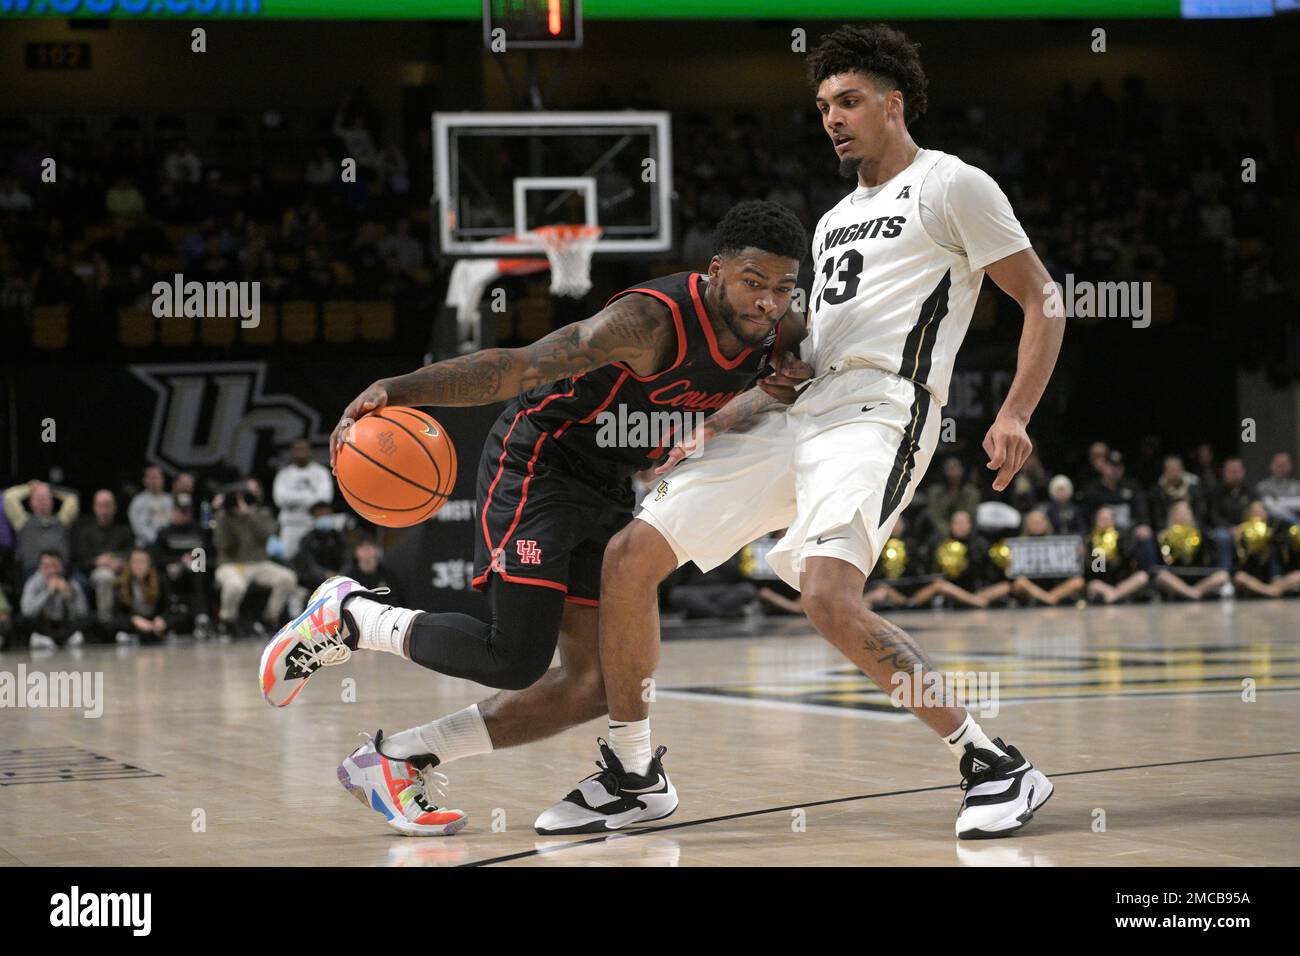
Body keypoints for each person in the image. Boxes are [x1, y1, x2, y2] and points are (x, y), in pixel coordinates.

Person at [537, 23, 1064, 839]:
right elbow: (808, 347)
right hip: (804, 409)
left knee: (825, 595)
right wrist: (734, 404)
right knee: (628, 557)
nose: (833, 118)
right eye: (823, 105)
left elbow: (1044, 298)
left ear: (894, 105)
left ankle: (994, 762)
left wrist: (1015, 413)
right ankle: (635, 773)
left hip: (883, 412)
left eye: (849, 101)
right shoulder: (828, 221)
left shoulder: (954, 185)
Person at [258, 200, 810, 835]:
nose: (767, 301)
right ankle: (351, 617)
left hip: (608, 484)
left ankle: (397, 760)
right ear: (716, 271)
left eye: (781, 287)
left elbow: (754, 392)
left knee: (600, 684)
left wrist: (771, 391)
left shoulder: (780, 331)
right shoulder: (646, 323)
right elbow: (518, 367)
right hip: (541, 464)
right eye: (753, 282)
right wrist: (400, 388)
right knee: (513, 657)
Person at [213, 479, 297, 638]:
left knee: (288, 578)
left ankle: (270, 618)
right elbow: (223, 545)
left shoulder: (262, 514)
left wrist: (249, 515)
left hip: (259, 563)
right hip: (231, 565)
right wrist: (222, 514)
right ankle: (227, 621)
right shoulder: (224, 517)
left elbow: (267, 533)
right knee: (235, 585)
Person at [908, 510, 1011, 610]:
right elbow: (933, 573)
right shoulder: (941, 544)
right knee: (939, 585)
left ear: (970, 525)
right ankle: (973, 601)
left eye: (964, 522)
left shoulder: (980, 543)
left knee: (1005, 586)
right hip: (952, 590)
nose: (960, 526)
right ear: (951, 525)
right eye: (957, 523)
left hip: (977, 591)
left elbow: (989, 572)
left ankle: (973, 600)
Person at [71, 489, 134, 627]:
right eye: (101, 505)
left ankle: (137, 620)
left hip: (122, 570)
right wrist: (97, 562)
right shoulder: (85, 532)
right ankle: (107, 624)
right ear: (95, 508)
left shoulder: (123, 530)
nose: (104, 509)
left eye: (108, 505)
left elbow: (132, 553)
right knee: (105, 577)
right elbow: (79, 559)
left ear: (114, 507)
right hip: (95, 573)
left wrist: (120, 562)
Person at [1153, 501, 1230, 600]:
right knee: (1162, 576)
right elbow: (1162, 563)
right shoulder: (1164, 537)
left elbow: (1209, 562)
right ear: (1172, 516)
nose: (1182, 516)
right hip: (1176, 579)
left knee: (1223, 575)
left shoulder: (1202, 534)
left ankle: (1191, 593)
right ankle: (1192, 593)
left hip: (1199, 579)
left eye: (1185, 513)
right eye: (1178, 513)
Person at [1007, 509, 1085, 606]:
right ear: (1027, 525)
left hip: (1055, 584)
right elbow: (1013, 574)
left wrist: (1078, 553)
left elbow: (1071, 567)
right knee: (1020, 582)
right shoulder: (1018, 544)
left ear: (1046, 523)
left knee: (1078, 581)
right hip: (1032, 585)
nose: (1036, 525)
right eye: (1033, 522)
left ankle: (1049, 598)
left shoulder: (1060, 540)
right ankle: (1048, 599)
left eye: (1039, 522)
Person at [110, 548, 189, 644]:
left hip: (154, 619)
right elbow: (117, 613)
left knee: (182, 616)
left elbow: (168, 607)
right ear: (129, 564)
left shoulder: (161, 580)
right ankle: (135, 635)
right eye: (136, 562)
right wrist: (134, 620)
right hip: (134, 621)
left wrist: (162, 619)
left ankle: (158, 632)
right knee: (110, 623)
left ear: (149, 564)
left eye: (143, 562)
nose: (139, 566)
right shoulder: (121, 583)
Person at [4, 479, 79, 579]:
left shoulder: (62, 520)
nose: (42, 502)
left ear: (52, 502)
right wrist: (30, 488)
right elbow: (9, 497)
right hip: (33, 570)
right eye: (39, 499)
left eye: (46, 498)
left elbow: (72, 498)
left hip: (62, 571)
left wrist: (51, 489)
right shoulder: (22, 521)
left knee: (81, 584)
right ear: (31, 503)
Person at [273, 439, 334, 559]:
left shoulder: (321, 472)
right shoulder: (284, 474)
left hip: (313, 525)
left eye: (304, 449)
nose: (301, 452)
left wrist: (293, 498)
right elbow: (280, 499)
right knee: (288, 561)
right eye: (297, 449)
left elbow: (325, 498)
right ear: (292, 452)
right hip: (290, 527)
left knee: (314, 561)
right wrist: (310, 495)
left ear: (309, 450)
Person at [18, 551, 91, 649]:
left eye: (55, 565)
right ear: (40, 567)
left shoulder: (70, 582)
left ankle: (67, 639)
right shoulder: (33, 583)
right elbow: (27, 611)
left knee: (87, 622)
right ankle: (43, 639)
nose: (52, 570)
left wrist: (69, 596)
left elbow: (82, 611)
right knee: (24, 622)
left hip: (65, 625)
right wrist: (47, 593)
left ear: (61, 566)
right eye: (47, 566)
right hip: (43, 626)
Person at [1083, 507, 1150, 604]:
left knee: (1142, 577)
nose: (1104, 522)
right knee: (1093, 585)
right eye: (1100, 519)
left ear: (1113, 521)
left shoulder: (1122, 535)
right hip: (1103, 582)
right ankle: (1118, 596)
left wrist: (1119, 546)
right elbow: (1095, 571)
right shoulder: (1091, 540)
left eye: (1106, 519)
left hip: (1123, 581)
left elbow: (1131, 558)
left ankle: (1112, 596)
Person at [924, 456, 982, 540]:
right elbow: (935, 516)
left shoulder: (972, 492)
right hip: (940, 534)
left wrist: (960, 528)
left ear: (963, 469)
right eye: (950, 468)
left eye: (956, 467)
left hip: (966, 532)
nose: (953, 471)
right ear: (943, 471)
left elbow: (970, 515)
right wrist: (949, 531)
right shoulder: (934, 492)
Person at [128, 465, 173, 547]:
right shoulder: (138, 501)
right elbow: (137, 526)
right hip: (145, 546)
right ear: (144, 481)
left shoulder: (170, 500)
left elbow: (174, 522)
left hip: (168, 544)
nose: (154, 481)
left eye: (156, 477)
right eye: (150, 478)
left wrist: (166, 540)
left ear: (162, 479)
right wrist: (155, 540)